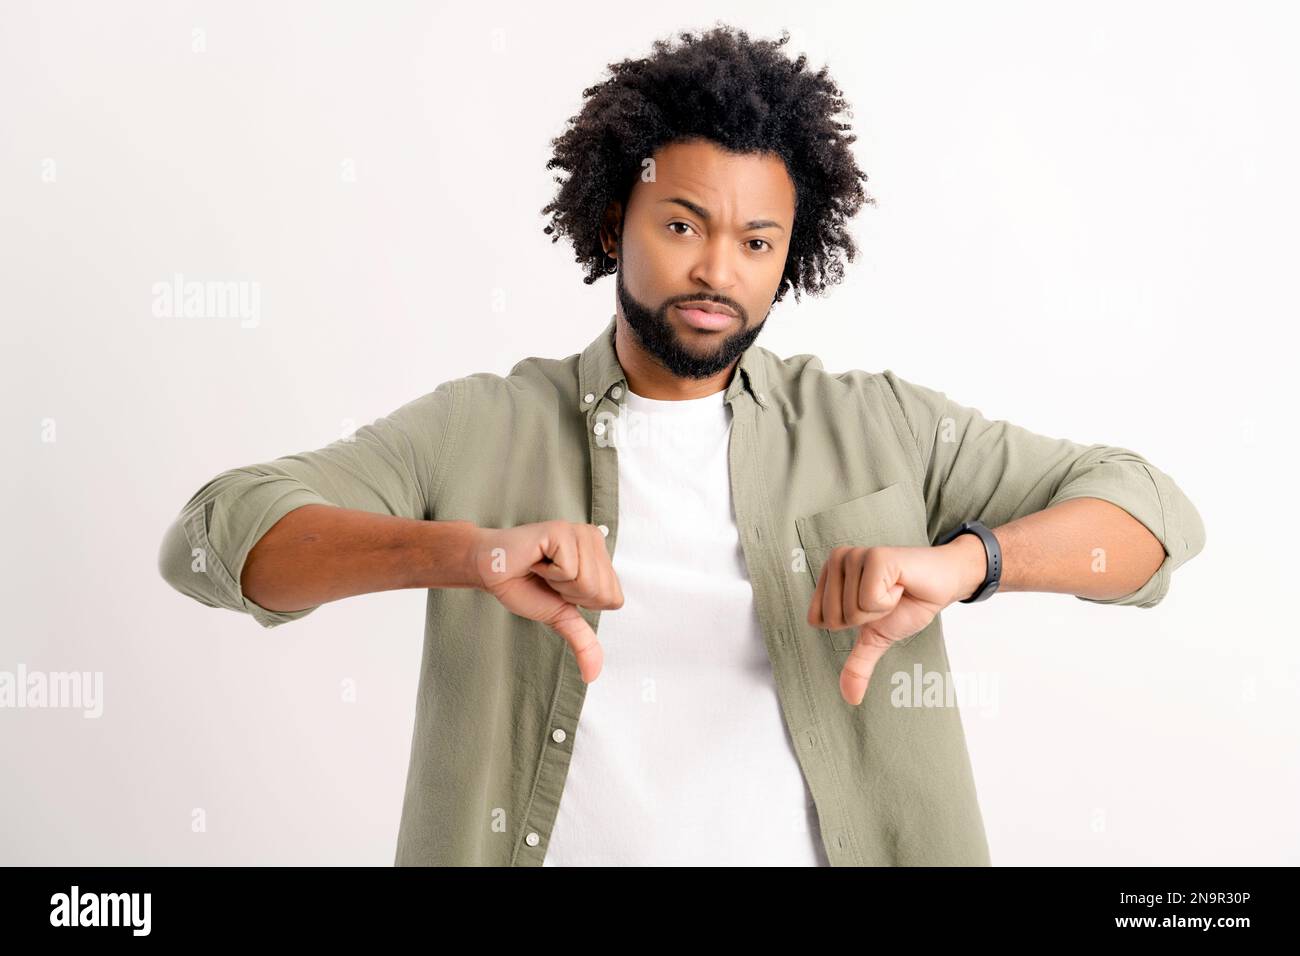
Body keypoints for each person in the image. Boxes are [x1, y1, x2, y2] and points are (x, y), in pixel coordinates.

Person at [158, 25, 1205, 866]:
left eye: (757, 241)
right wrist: (468, 553)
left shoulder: (878, 426)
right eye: (681, 225)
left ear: (792, 254)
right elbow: (211, 540)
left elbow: (1152, 518)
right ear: (612, 220)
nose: (717, 270)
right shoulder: (482, 426)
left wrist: (968, 561)